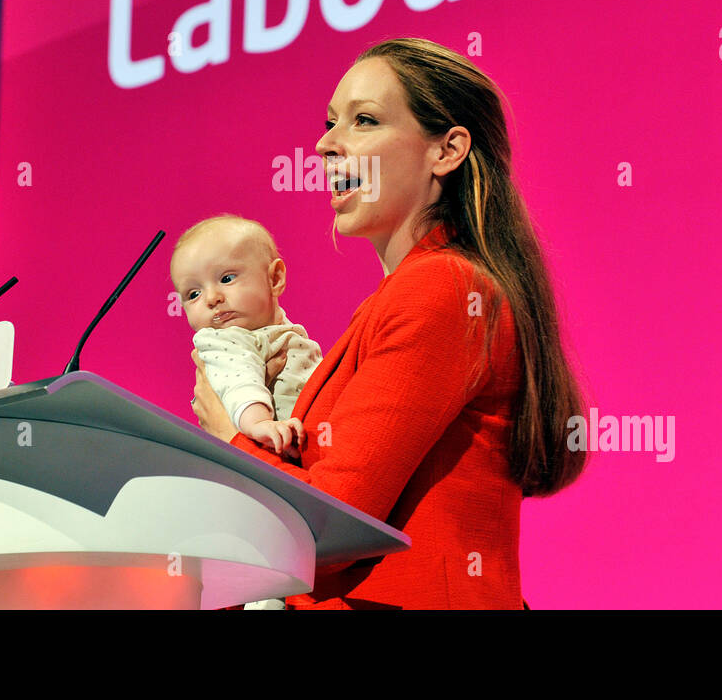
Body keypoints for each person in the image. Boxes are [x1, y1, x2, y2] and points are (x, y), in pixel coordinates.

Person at [190, 37, 589, 609]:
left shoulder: (443, 287)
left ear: (446, 150)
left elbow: (334, 524)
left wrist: (230, 439)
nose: (328, 144)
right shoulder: (412, 290)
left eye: (364, 121)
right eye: (330, 123)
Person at [171, 213, 323, 610]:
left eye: (226, 279)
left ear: (275, 279)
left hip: (293, 480)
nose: (212, 299)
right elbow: (239, 382)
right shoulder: (223, 341)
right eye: (192, 294)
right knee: (263, 580)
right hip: (259, 472)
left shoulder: (281, 334)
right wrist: (258, 424)